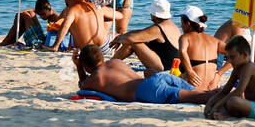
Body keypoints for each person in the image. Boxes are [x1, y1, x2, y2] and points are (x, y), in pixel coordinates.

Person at [73, 44, 213, 105]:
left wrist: (78, 66)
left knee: (198, 97)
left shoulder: (96, 77)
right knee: (201, 93)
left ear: (85, 64)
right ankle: (228, 93)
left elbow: (82, 88)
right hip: (159, 77)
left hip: (147, 90)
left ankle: (230, 95)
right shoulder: (115, 62)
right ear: (101, 58)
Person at [203, 36, 255, 121]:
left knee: (233, 101)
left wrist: (217, 105)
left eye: (232, 57)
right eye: (228, 57)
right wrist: (210, 103)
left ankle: (226, 115)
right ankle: (223, 114)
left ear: (245, 55)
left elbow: (239, 91)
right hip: (250, 104)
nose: (229, 60)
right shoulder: (237, 69)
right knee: (224, 100)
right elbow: (225, 91)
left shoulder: (249, 67)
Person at [110, 0, 182, 72]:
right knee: (135, 39)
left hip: (166, 67)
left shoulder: (157, 29)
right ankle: (110, 63)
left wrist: (118, 39)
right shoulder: (170, 25)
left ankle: (109, 65)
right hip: (173, 65)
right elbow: (140, 32)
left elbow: (131, 38)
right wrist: (120, 37)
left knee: (132, 43)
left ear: (154, 15)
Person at [177, 6, 229, 89]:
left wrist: (190, 72)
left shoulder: (185, 38)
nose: (181, 26)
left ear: (188, 24)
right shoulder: (214, 41)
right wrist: (219, 74)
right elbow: (238, 53)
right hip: (211, 89)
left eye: (182, 23)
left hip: (191, 90)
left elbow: (182, 51)